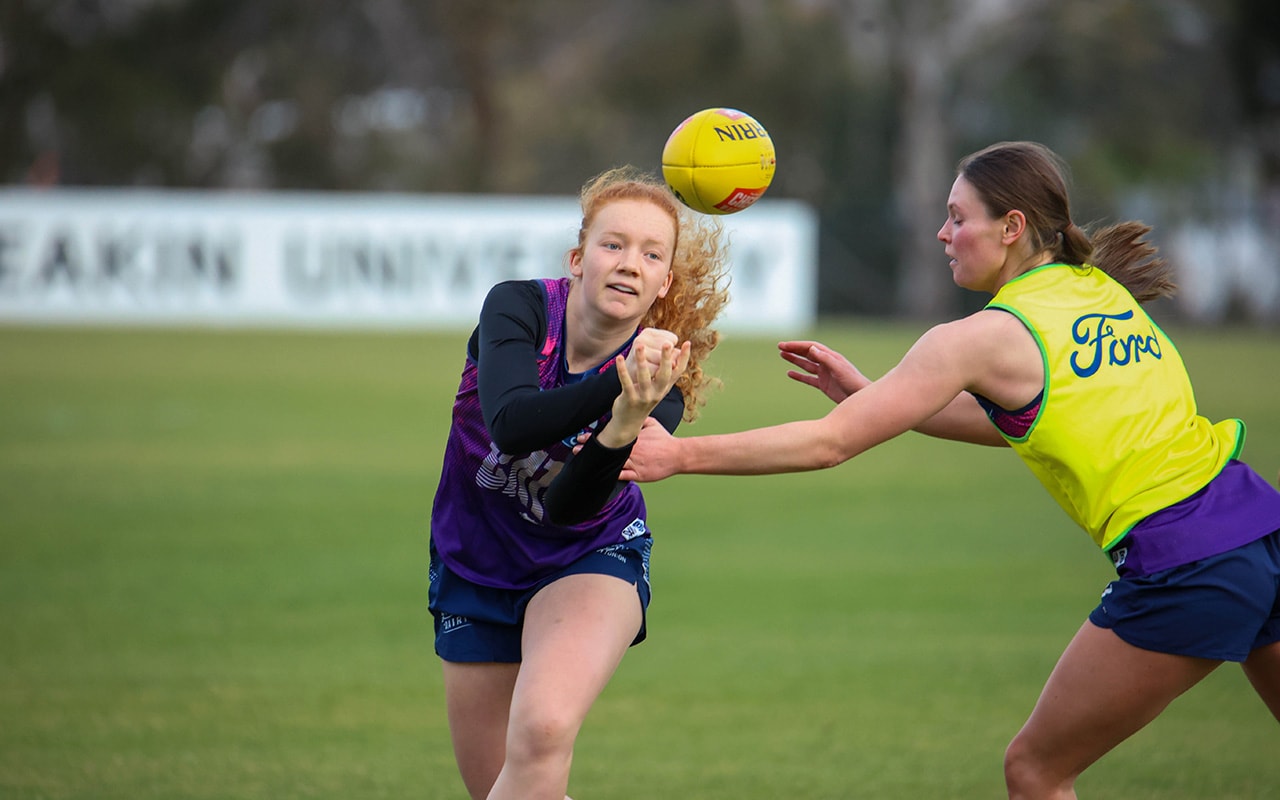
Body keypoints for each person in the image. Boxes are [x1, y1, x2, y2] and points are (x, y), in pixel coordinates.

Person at [622, 141, 1280, 799]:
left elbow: (829, 444)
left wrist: (680, 455)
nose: (943, 233)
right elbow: (1031, 419)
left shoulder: (980, 338)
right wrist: (878, 397)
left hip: (1186, 564)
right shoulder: (1098, 290)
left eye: (958, 217)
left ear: (1012, 226)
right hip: (1260, 530)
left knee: (1035, 770)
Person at [428, 165, 730, 800]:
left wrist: (627, 420)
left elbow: (568, 508)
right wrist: (617, 389)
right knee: (504, 789)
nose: (629, 264)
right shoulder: (519, 307)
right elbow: (512, 424)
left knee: (542, 729)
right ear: (578, 259)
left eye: (651, 254)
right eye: (612, 244)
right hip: (474, 558)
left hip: (589, 553)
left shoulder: (663, 385)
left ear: (664, 283)